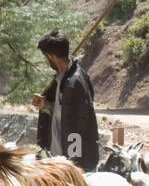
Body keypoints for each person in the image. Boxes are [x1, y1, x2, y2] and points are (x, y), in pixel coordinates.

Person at [31, 29, 98, 170]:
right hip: (59, 159)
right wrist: (46, 105)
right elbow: (65, 111)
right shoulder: (64, 78)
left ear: (50, 56)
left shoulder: (74, 83)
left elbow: (78, 127)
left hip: (69, 164)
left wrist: (74, 166)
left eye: (45, 57)